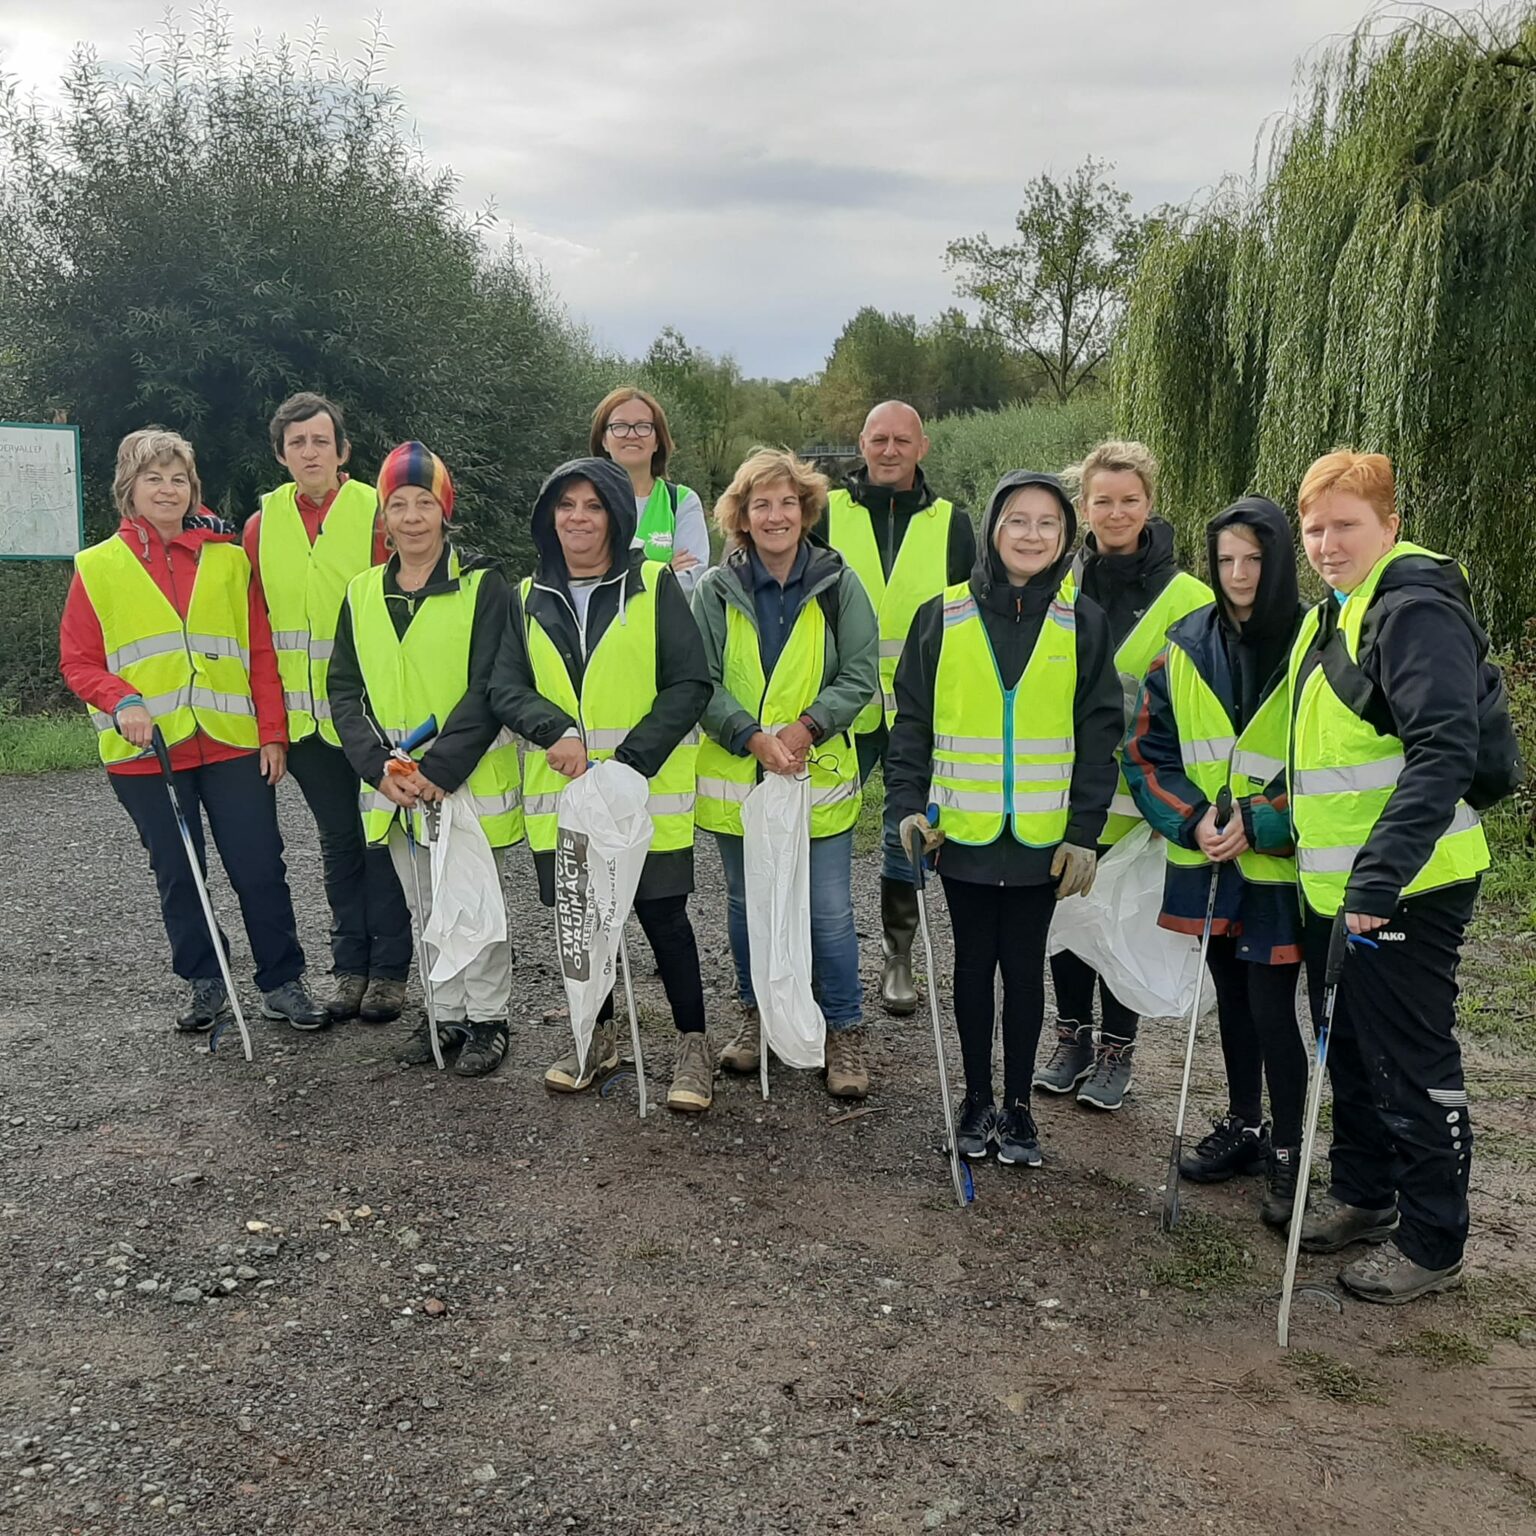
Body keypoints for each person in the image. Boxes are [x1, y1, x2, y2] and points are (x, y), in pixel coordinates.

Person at [1288, 451, 1495, 1303]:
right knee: (1353, 1054)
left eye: (1346, 526)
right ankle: (1365, 1196)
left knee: (1411, 1061)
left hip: (1406, 883)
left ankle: (1433, 1240)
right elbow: (1324, 750)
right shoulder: (1331, 616)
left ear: (1390, 526)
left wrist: (1376, 882)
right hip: (1334, 886)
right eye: (1314, 529)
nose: (1327, 544)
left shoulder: (1413, 612)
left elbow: (1443, 751)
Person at [884, 472, 1120, 1166]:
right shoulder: (942, 615)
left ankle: (1019, 1106)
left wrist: (1084, 831)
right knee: (971, 966)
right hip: (962, 835)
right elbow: (913, 728)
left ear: (1066, 538)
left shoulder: (1084, 622)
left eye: (1048, 523)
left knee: (1024, 970)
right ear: (993, 528)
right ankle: (977, 1096)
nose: (1032, 535)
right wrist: (905, 810)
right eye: (1018, 520)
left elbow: (1100, 734)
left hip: (1041, 843)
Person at [59, 428, 326, 1034]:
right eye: (154, 477)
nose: (168, 489)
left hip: (232, 741)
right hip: (146, 750)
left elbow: (259, 650)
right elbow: (78, 659)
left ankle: (282, 982)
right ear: (130, 488)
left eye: (178, 478)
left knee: (260, 865)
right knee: (180, 873)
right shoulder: (97, 566)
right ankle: (207, 982)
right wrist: (120, 697)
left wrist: (273, 732)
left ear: (193, 489)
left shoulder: (229, 559)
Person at [489, 457, 714, 1112]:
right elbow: (504, 686)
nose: (579, 519)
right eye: (566, 506)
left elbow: (689, 682)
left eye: (592, 506)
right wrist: (552, 727)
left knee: (662, 919)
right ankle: (598, 1035)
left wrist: (630, 761)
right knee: (583, 924)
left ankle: (693, 1044)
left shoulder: (652, 585)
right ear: (547, 516)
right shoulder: (525, 597)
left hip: (644, 796)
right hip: (564, 798)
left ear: (616, 515)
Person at [1122, 498, 1309, 1226]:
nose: (1237, 574)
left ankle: (1289, 1150)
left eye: (1254, 560)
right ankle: (1245, 1124)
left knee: (1271, 1007)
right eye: (1226, 559)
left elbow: (1334, 761)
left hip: (1281, 866)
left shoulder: (1311, 642)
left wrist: (1263, 823)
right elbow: (1146, 754)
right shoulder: (1183, 644)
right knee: (1231, 997)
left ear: (1279, 561)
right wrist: (1193, 820)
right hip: (1210, 857)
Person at [328, 441, 521, 1077]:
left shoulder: (481, 586)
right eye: (398, 505)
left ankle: (488, 1019)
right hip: (396, 784)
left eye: (423, 503)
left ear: (445, 512)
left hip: (464, 781)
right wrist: (377, 767)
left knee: (476, 902)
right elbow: (343, 688)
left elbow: (492, 684)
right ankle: (444, 1015)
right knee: (426, 905)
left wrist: (440, 772)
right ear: (383, 517)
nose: (411, 517)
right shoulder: (360, 593)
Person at [691, 447, 879, 1098]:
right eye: (760, 503)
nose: (775, 515)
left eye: (787, 502)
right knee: (749, 907)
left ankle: (844, 1031)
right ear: (741, 516)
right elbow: (699, 680)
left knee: (827, 911)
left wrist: (805, 729)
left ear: (807, 510)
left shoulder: (840, 583)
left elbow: (859, 674)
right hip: (740, 777)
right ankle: (755, 1017)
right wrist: (749, 736)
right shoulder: (715, 589)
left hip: (814, 773)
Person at [1038, 441, 1213, 1110]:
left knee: (1118, 919)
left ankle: (1118, 1048)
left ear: (1150, 504)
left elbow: (1197, 699)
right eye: (1102, 501)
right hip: (1063, 789)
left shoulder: (1188, 596)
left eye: (1129, 500)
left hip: (1141, 797)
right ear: (1084, 508)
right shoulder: (1057, 582)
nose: (1116, 512)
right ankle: (1071, 1037)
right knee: (1066, 915)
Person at [245, 391, 413, 1026]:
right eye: (297, 443)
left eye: (321, 440)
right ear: (282, 454)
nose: (309, 452)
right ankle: (350, 971)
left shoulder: (379, 513)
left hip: (372, 718)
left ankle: (390, 974)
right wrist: (272, 728)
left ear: (342, 450)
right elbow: (260, 635)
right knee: (340, 842)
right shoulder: (261, 526)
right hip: (307, 722)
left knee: (383, 839)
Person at [823, 400, 975, 1016]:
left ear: (923, 447)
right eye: (878, 439)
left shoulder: (953, 523)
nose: (889, 451)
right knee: (819, 822)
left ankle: (898, 955)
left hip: (922, 704)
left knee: (902, 829)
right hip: (841, 701)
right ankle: (815, 951)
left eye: (901, 441)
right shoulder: (825, 515)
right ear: (861, 444)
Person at [589, 386, 712, 592]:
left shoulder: (681, 502)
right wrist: (665, 572)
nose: (631, 435)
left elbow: (691, 583)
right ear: (604, 440)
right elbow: (580, 581)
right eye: (619, 426)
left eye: (643, 426)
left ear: (657, 441)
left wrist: (619, 583)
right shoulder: (583, 503)